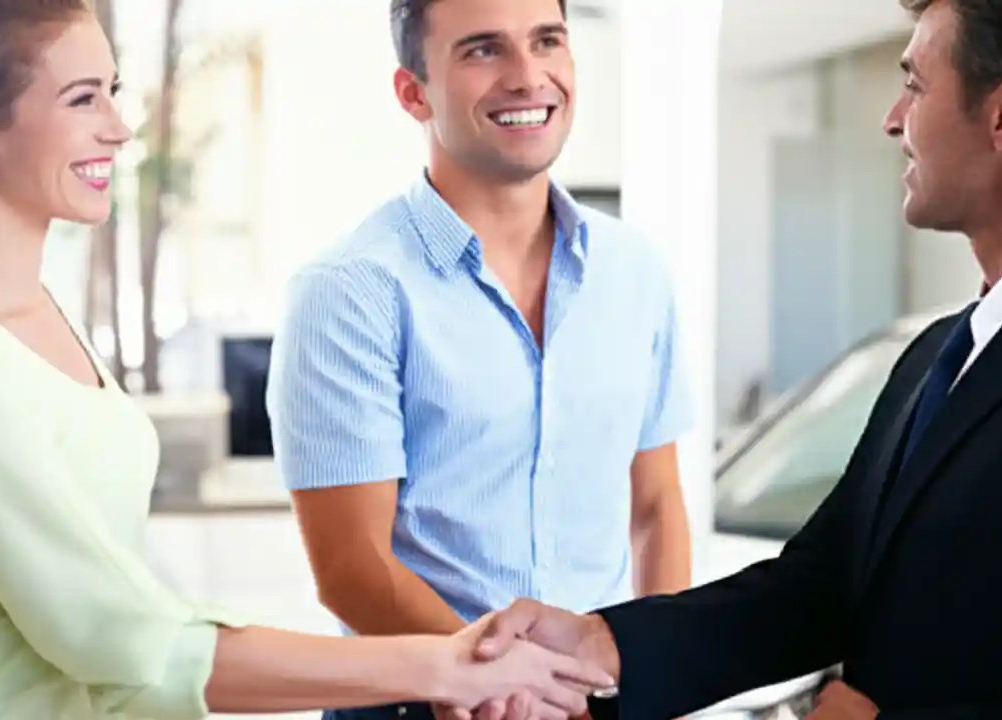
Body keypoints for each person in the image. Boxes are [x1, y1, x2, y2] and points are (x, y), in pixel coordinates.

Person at [0, 2, 611, 719]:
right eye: (82, 99)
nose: (118, 127)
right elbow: (118, 637)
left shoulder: (33, 319)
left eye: (113, 91)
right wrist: (443, 667)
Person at [470, 1, 1002, 718]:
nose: (893, 120)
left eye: (915, 87)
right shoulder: (935, 355)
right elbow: (822, 586)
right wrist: (602, 649)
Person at [265, 0, 694, 717]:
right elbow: (352, 567)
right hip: (419, 704)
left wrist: (658, 678)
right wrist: (504, 682)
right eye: (482, 51)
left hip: (599, 703)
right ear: (414, 92)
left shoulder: (635, 272)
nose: (529, 77)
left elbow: (655, 506)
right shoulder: (349, 293)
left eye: (547, 41)